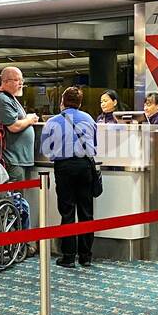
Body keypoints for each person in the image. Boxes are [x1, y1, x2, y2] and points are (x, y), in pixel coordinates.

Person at [42, 87, 98, 268]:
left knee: (67, 212)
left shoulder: (52, 122)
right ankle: (86, 257)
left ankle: (68, 257)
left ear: (62, 102)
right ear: (80, 103)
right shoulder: (88, 119)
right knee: (86, 212)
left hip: (64, 168)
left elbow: (46, 150)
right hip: (84, 167)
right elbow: (94, 144)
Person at [0, 66, 39, 182]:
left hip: (18, 159)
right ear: (5, 81)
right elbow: (13, 126)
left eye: (22, 80)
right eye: (17, 80)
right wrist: (30, 119)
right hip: (11, 160)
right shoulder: (2, 99)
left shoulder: (10, 98)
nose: (21, 83)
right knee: (14, 198)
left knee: (18, 197)